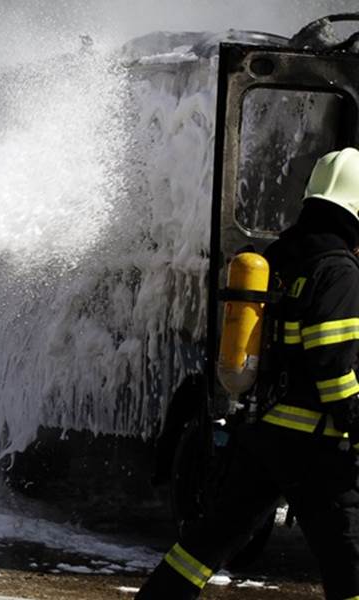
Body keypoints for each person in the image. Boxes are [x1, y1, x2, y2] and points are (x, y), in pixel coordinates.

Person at [136, 147, 359, 600]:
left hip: (262, 434)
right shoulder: (339, 271)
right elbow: (332, 363)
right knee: (348, 559)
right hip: (316, 442)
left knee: (209, 540)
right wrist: (354, 417)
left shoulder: (280, 254)